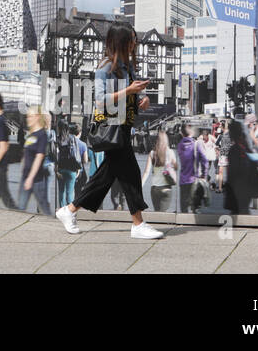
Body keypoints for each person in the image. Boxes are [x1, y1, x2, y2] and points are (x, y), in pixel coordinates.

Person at [57, 24, 165, 239]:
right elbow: (99, 100)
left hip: (123, 126)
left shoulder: (126, 66)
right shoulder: (105, 68)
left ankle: (69, 210)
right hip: (112, 128)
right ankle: (137, 224)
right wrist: (129, 90)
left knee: (107, 176)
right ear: (120, 42)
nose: (135, 43)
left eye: (135, 39)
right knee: (130, 174)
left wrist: (141, 100)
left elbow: (126, 98)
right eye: (131, 40)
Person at [223, 119, 258, 215]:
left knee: (238, 213)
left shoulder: (235, 149)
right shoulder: (244, 145)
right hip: (246, 186)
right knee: (243, 211)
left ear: (233, 133)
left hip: (238, 187)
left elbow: (233, 171)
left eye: (230, 132)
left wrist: (228, 185)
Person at [18, 107, 53, 214]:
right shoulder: (35, 133)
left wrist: (30, 177)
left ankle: (44, 215)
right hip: (37, 170)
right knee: (40, 201)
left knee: (43, 201)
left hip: (41, 169)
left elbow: (39, 156)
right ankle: (42, 213)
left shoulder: (44, 134)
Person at [142, 129, 178, 212]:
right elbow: (176, 167)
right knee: (162, 214)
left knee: (157, 214)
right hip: (166, 189)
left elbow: (146, 172)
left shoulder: (152, 153)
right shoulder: (170, 152)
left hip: (155, 189)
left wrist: (140, 186)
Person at [56, 123, 86, 209]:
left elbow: (55, 155)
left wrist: (56, 170)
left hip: (61, 168)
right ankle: (69, 211)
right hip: (72, 168)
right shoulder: (72, 138)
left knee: (61, 191)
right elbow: (76, 155)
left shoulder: (58, 139)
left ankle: (62, 209)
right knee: (70, 191)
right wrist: (78, 168)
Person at [175, 122, 203, 213]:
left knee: (184, 204)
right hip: (194, 178)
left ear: (181, 133)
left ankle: (183, 219)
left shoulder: (180, 145)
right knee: (195, 204)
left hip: (183, 178)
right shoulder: (195, 144)